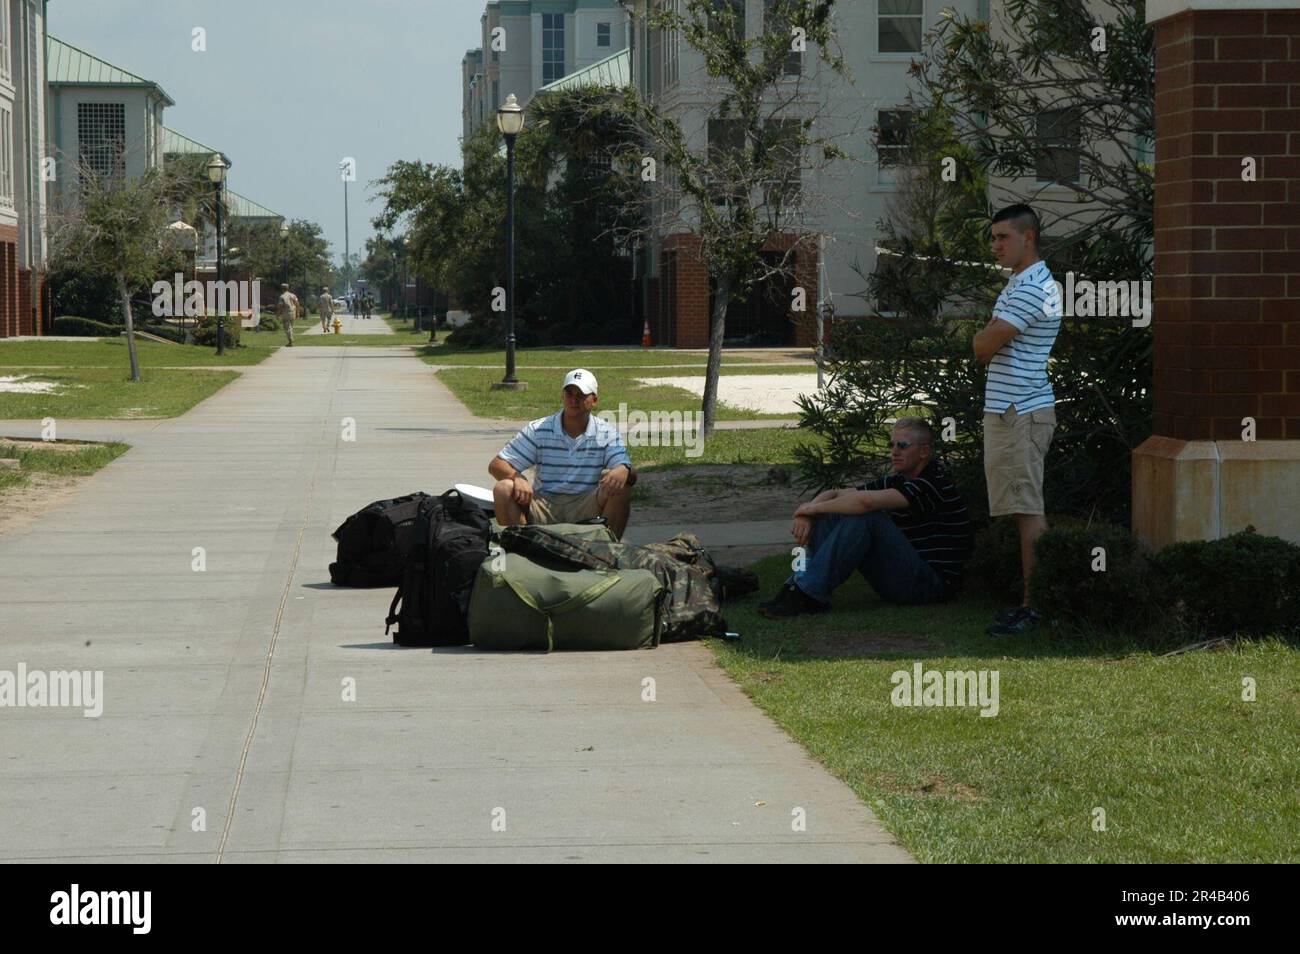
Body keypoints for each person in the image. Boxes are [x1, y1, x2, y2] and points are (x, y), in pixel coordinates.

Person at [758, 417, 972, 618]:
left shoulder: (931, 482)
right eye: (892, 445)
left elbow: (865, 503)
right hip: (909, 574)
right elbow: (837, 492)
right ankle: (800, 587)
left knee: (866, 518)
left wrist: (811, 510)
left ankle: (808, 593)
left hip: (932, 587)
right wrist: (809, 512)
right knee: (832, 512)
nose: (894, 452)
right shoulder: (901, 480)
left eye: (903, 446)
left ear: (924, 451)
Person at [972, 203, 1062, 636]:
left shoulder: (1031, 289)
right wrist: (989, 334)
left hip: (1022, 413)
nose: (996, 245)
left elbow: (983, 347)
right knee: (1021, 508)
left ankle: (1036, 608)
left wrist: (985, 334)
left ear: (1029, 238)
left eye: (1003, 237)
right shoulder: (1019, 283)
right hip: (1013, 411)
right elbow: (990, 339)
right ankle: (1030, 603)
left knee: (1029, 509)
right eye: (993, 238)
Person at [488, 368, 636, 539]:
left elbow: (627, 470)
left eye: (581, 395)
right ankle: (517, 549)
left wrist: (623, 468)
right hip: (543, 503)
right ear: (562, 396)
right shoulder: (539, 429)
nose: (574, 400)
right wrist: (516, 477)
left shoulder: (606, 432)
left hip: (585, 504)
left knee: (622, 488)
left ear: (594, 400)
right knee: (503, 488)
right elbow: (496, 465)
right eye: (569, 393)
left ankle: (606, 551)